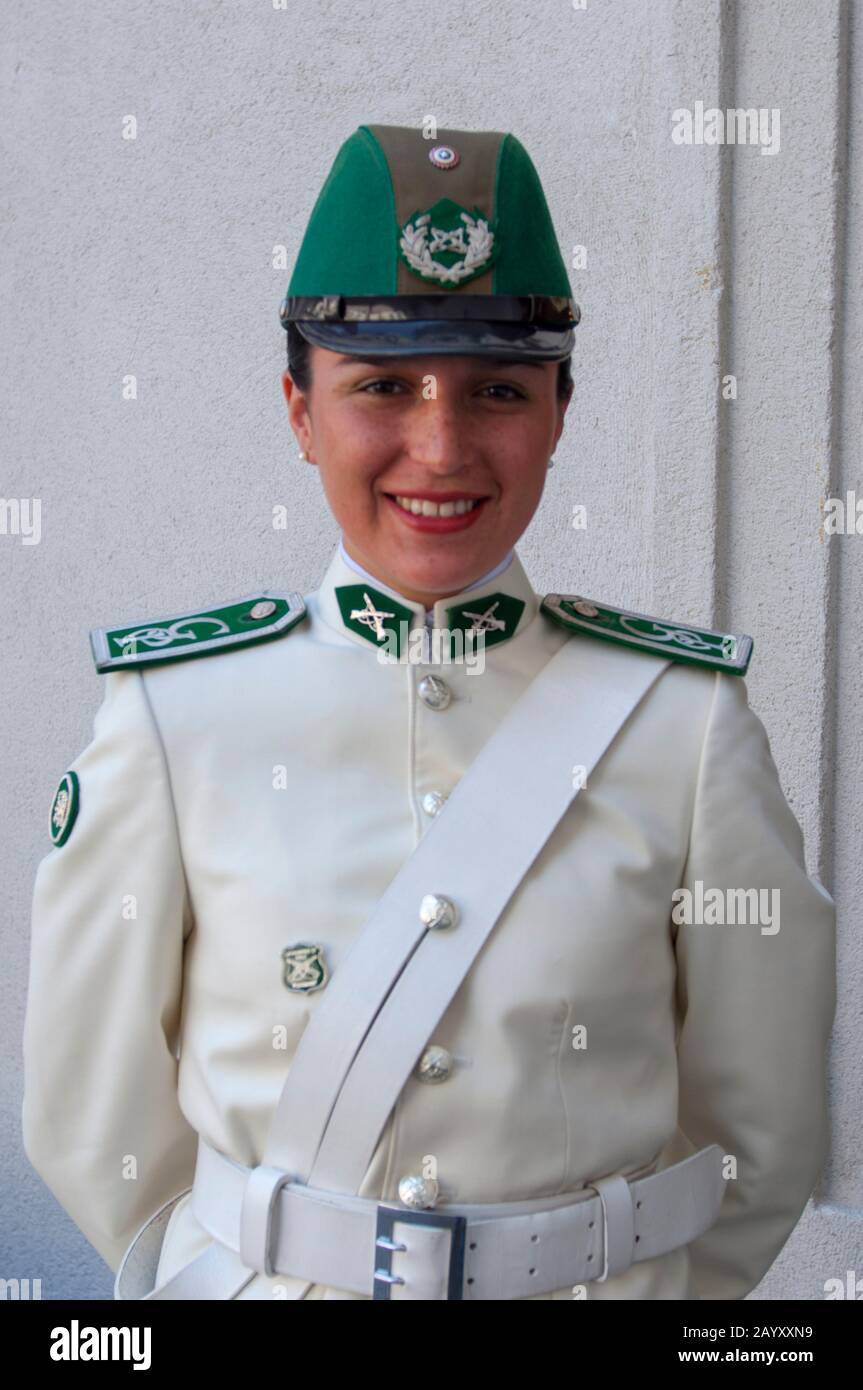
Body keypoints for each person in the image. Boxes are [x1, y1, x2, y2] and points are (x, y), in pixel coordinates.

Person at [22, 122, 836, 1302]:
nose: (439, 446)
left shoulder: (684, 723)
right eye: (382, 387)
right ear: (300, 412)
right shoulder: (173, 714)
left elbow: (756, 1131)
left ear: (558, 411)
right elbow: (93, 1120)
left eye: (496, 389)